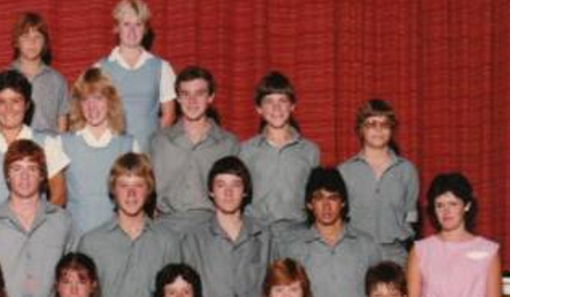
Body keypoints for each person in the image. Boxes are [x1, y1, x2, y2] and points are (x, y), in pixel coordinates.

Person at [0, 140, 77, 297]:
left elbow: (74, 275)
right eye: (16, 169)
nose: (24, 177)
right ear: (6, 176)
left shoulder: (63, 221)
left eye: (32, 169)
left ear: (42, 176)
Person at [273, 167, 383, 297]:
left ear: (343, 203)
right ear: (309, 204)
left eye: (333, 198)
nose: (326, 205)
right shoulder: (292, 248)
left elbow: (380, 293)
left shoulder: (366, 245)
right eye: (318, 198)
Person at [78, 152, 180, 297]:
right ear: (113, 190)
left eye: (138, 185)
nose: (131, 194)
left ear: (148, 189)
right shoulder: (92, 242)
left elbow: (178, 296)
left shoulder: (167, 240)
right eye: (124, 185)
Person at [180, 156, 271, 297]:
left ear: (245, 191)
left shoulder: (263, 235)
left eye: (236, 185)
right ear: (211, 191)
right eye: (221, 185)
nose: (228, 193)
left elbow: (275, 285)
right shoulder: (194, 237)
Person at [0, 69, 69, 213]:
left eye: (16, 101)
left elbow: (59, 195)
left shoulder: (47, 143)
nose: (8, 109)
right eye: (1, 102)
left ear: (27, 104)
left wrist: (40, 222)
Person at [149, 66, 240, 235]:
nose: (192, 101)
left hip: (211, 230)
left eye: (199, 93)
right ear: (178, 98)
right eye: (185, 94)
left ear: (211, 97)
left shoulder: (229, 144)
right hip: (167, 228)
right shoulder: (158, 142)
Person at [337, 99, 420, 263]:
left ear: (392, 130)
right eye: (371, 124)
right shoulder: (344, 171)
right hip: (356, 253)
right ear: (361, 129)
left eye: (385, 124)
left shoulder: (406, 170)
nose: (378, 130)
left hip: (395, 254)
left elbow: (411, 217)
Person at [59, 68, 139, 234]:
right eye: (85, 99)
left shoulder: (128, 145)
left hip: (116, 236)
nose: (92, 106)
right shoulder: (63, 143)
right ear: (78, 104)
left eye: (98, 98)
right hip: (77, 239)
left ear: (110, 101)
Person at [237, 71, 320, 228]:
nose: (276, 108)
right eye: (269, 101)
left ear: (292, 106)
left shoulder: (310, 151)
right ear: (259, 109)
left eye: (282, 100)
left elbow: (315, 199)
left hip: (296, 231)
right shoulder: (246, 150)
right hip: (256, 231)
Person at [97, 0, 176, 149]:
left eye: (138, 24)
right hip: (112, 151)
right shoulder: (100, 68)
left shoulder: (162, 67)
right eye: (126, 24)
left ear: (145, 29)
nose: (132, 31)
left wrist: (155, 147)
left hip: (149, 153)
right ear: (117, 27)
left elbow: (169, 115)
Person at [9, 12, 69, 134]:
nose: (32, 42)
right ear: (16, 41)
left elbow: (62, 121)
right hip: (15, 146)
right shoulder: (4, 77)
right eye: (26, 37)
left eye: (37, 37)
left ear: (45, 42)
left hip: (48, 147)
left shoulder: (57, 80)